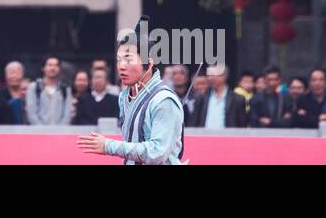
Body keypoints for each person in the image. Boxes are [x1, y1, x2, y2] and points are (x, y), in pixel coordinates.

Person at [78, 17, 184, 165]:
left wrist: (109, 146)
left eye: (128, 59)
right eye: (119, 60)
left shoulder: (164, 100)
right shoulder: (124, 96)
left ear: (149, 63)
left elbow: (157, 153)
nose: (121, 66)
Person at [193, 63, 248, 128]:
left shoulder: (238, 99)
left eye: (213, 75)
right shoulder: (201, 98)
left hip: (228, 136)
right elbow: (194, 122)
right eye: (208, 75)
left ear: (224, 76)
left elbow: (242, 126)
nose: (209, 78)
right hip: (204, 136)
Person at [26, 56, 74, 126]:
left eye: (56, 65)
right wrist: (42, 131)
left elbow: (67, 115)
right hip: (38, 132)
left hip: (60, 133)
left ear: (59, 69)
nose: (53, 68)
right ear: (43, 68)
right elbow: (31, 114)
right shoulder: (33, 87)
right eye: (49, 65)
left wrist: (60, 131)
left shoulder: (65, 89)